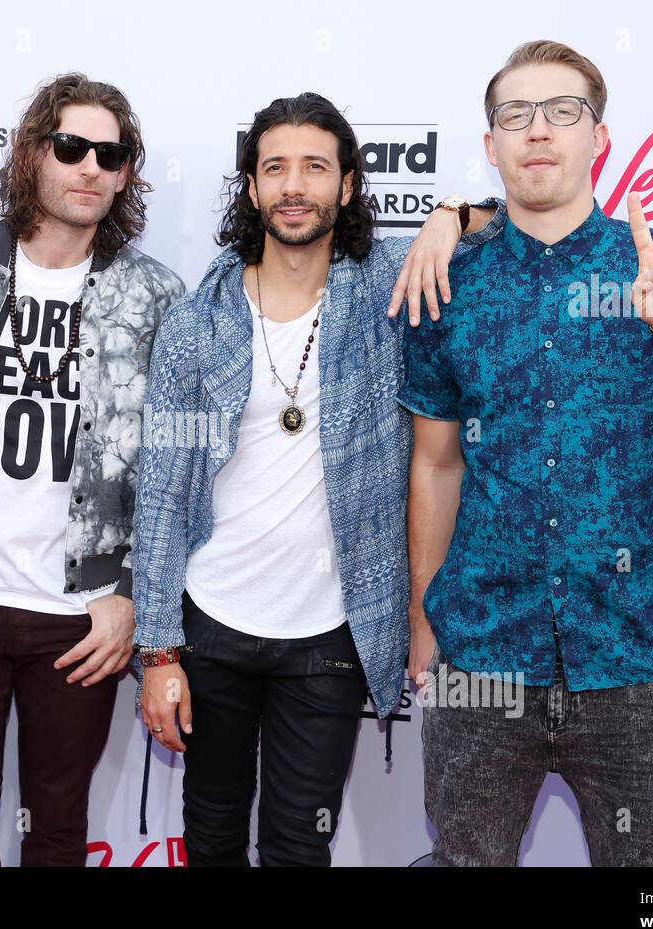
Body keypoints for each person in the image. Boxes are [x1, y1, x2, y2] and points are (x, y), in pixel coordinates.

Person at [400, 40, 653, 866]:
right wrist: (423, 617)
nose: (538, 131)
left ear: (600, 137)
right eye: (514, 115)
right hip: (481, 656)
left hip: (634, 657)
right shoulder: (447, 280)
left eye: (564, 112)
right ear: (490, 146)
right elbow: (436, 464)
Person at [134, 91, 506, 866]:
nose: (293, 186)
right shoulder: (197, 325)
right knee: (209, 840)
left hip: (330, 632)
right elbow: (165, 495)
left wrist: (448, 216)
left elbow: (500, 221)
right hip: (213, 622)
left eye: (314, 167)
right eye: (275, 169)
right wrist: (160, 654)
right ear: (251, 188)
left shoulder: (385, 289)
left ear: (346, 185)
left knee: (302, 850)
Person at [0, 73, 185, 866]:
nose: (90, 166)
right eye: (71, 147)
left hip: (84, 618)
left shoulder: (156, 296)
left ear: (128, 171)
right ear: (33, 155)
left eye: (112, 152)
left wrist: (129, 593)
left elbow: (174, 473)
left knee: (58, 831)